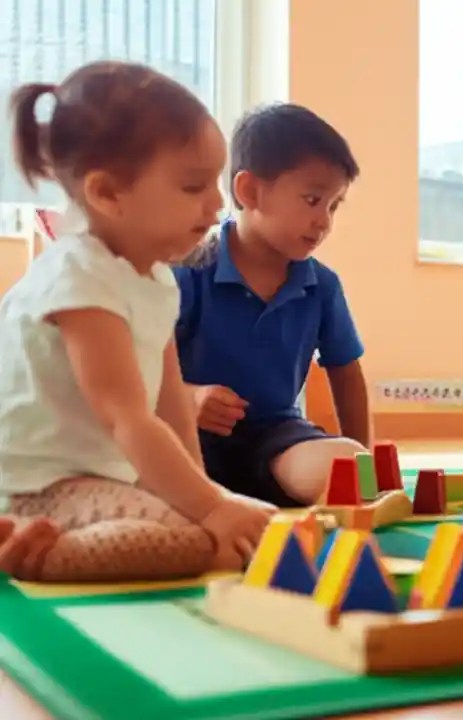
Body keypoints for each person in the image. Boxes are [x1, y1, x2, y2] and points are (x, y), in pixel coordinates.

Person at [0, 61, 274, 582]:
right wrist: (211, 512)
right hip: (41, 487)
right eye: (194, 186)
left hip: (103, 476)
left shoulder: (154, 280)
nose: (217, 203)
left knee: (252, 528)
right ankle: (31, 549)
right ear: (107, 194)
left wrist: (210, 493)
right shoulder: (81, 278)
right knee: (204, 546)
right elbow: (126, 417)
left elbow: (170, 402)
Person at [174, 104, 368, 507]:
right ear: (249, 192)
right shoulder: (188, 271)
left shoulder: (322, 286)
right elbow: (135, 367)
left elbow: (346, 372)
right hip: (182, 438)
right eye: (313, 200)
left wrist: (367, 468)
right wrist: (188, 397)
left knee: (346, 462)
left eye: (333, 206)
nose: (324, 222)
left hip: (277, 438)